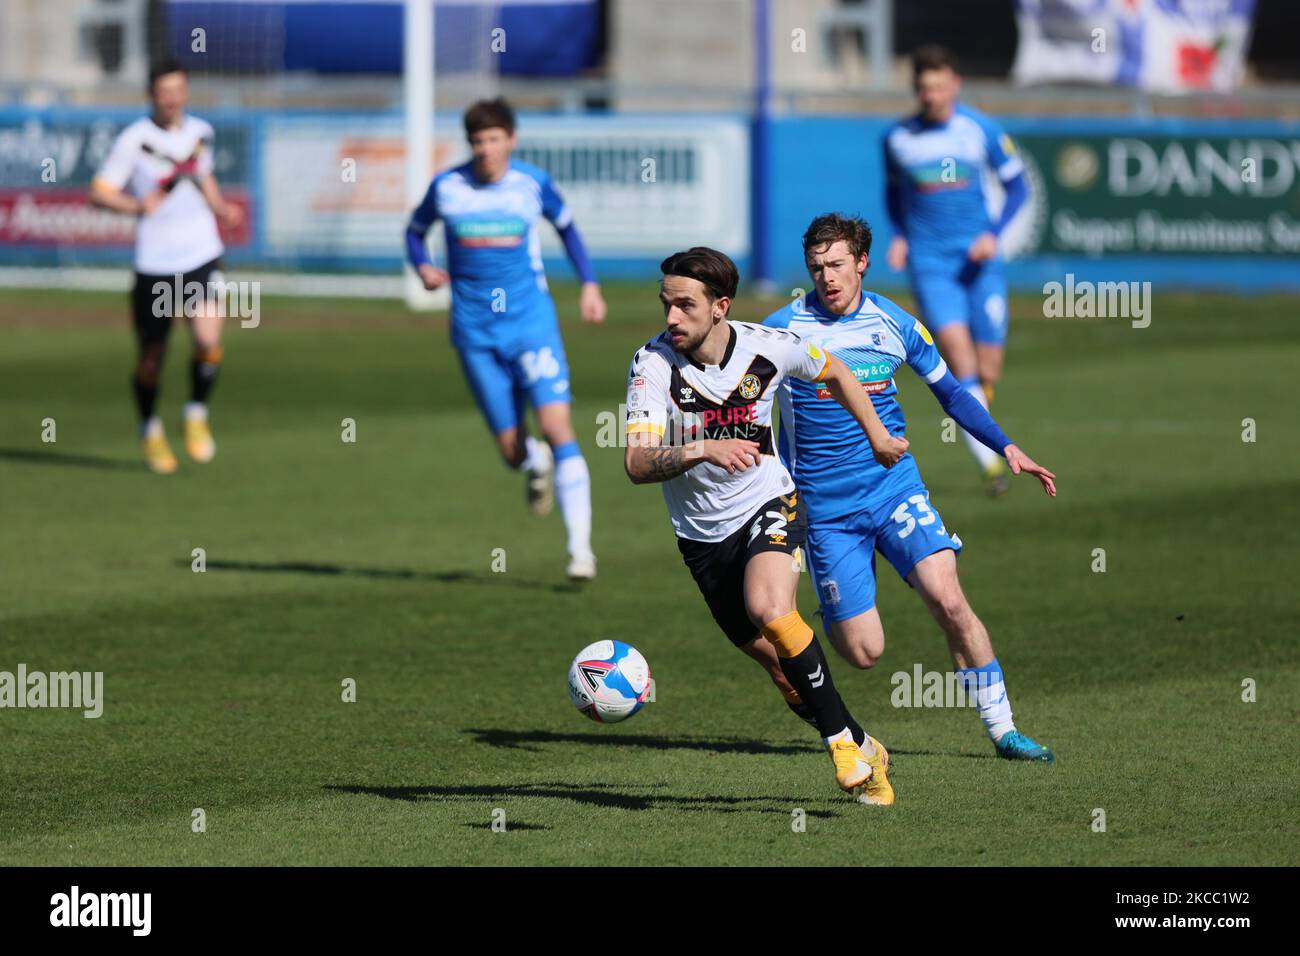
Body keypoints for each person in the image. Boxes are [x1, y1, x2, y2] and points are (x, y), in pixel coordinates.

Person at [764, 213, 1057, 762]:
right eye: (816, 267)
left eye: (836, 265)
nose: (826, 277)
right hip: (824, 510)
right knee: (863, 651)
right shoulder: (782, 332)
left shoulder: (895, 323)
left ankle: (1004, 730)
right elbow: (749, 407)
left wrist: (1006, 446)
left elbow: (952, 392)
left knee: (948, 597)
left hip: (894, 490)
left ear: (862, 263)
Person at [625, 246, 910, 803]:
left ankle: (840, 748)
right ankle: (862, 742)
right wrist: (703, 448)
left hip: (769, 503)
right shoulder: (652, 364)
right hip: (702, 540)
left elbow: (837, 371)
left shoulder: (768, 347)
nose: (672, 319)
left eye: (685, 306)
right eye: (666, 305)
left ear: (720, 306)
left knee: (772, 609)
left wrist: (876, 433)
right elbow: (637, 463)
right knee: (784, 672)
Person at [406, 98, 605, 580]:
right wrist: (424, 267)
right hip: (474, 333)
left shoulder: (531, 184)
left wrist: (589, 285)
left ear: (511, 140)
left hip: (530, 325)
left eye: (494, 139)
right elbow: (415, 231)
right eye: (477, 141)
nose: (486, 149)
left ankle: (580, 550)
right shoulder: (448, 187)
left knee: (559, 428)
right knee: (511, 451)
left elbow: (568, 228)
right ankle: (532, 461)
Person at [884, 45, 1030, 495]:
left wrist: (994, 233)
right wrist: (901, 234)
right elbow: (893, 194)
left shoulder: (978, 129)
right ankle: (991, 463)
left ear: (954, 85)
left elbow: (1018, 186)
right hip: (932, 264)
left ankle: (979, 429)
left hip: (980, 262)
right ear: (916, 90)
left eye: (939, 86)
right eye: (924, 87)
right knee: (959, 358)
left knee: (989, 368)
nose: (931, 95)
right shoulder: (898, 139)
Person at [89, 59, 243, 474]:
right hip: (155, 263)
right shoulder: (134, 141)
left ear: (186, 91)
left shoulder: (200, 133)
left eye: (178, 89)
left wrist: (219, 208)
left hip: (201, 254)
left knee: (209, 340)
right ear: (151, 95)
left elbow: (202, 175)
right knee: (152, 358)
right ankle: (149, 428)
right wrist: (137, 205)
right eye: (164, 91)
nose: (172, 98)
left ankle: (195, 414)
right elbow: (99, 192)